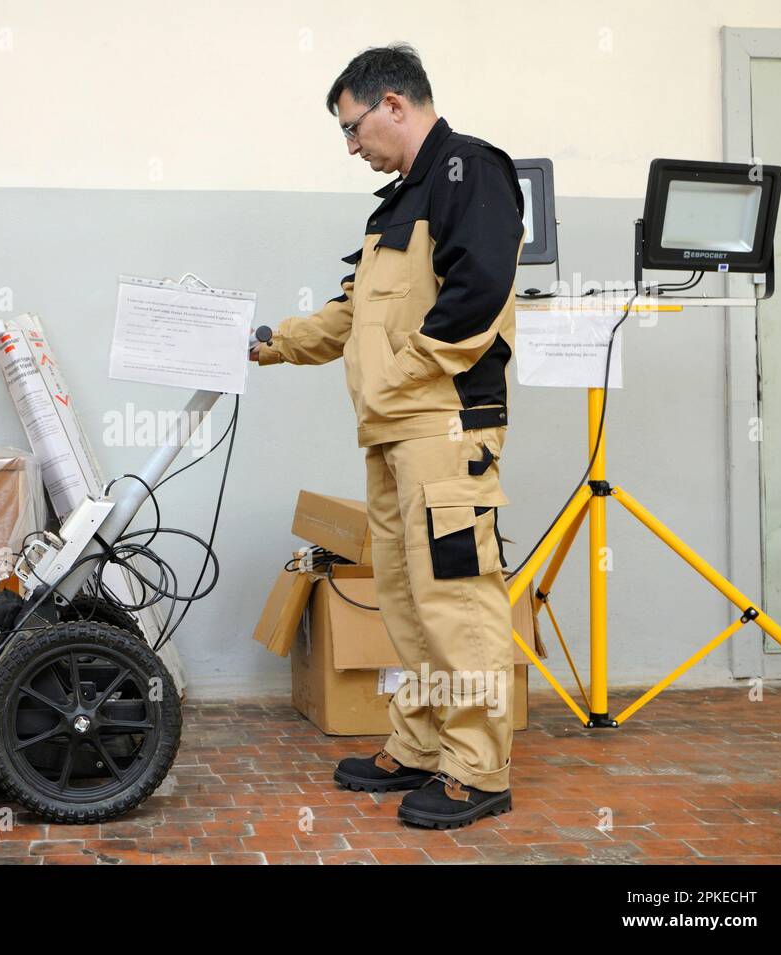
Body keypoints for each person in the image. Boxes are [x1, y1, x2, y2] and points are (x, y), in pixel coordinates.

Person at [251, 43, 525, 829]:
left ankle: (479, 769)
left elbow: (478, 294)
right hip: (392, 433)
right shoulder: (397, 202)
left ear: (395, 104)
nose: (351, 146)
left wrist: (400, 374)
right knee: (405, 602)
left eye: (353, 127)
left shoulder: (474, 172)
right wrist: (269, 341)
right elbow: (349, 314)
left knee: (456, 601)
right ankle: (422, 743)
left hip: (444, 430)